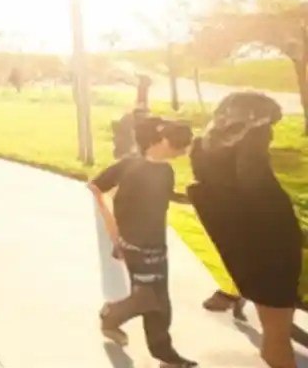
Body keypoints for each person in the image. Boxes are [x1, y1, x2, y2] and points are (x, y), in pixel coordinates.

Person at [187, 92, 302, 368]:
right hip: (271, 249)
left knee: (273, 332)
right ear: (257, 122)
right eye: (269, 126)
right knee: (277, 337)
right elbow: (256, 185)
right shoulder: (253, 141)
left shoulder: (201, 148)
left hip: (241, 250)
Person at [89, 117, 196, 368]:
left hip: (157, 244)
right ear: (159, 141)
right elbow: (95, 187)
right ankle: (112, 317)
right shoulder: (128, 166)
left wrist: (192, 199)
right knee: (148, 299)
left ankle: (163, 353)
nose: (181, 152)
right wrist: (109, 228)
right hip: (133, 245)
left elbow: (163, 198)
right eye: (178, 145)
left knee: (159, 300)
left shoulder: (166, 171)